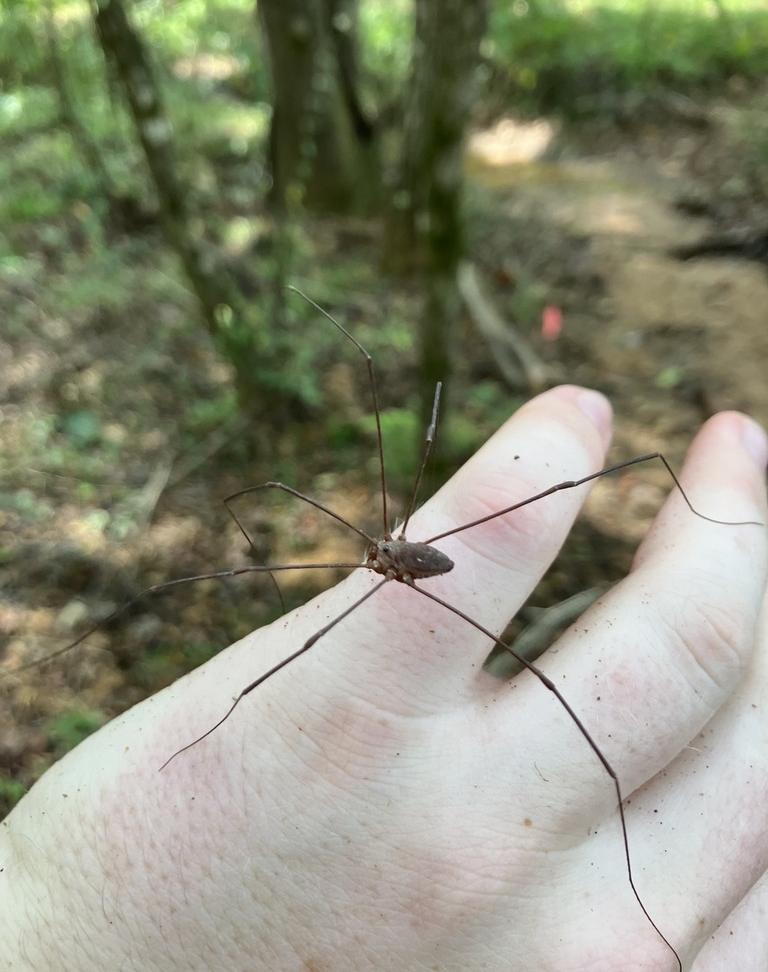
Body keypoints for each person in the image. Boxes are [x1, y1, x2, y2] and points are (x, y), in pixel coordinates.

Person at [2, 385, 767, 971]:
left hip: (433, 566)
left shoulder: (409, 559)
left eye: (377, 553)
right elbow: (270, 494)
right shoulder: (373, 555)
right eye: (375, 552)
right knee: (270, 539)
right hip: (413, 562)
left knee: (563, 691)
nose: (370, 554)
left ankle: (633, 883)